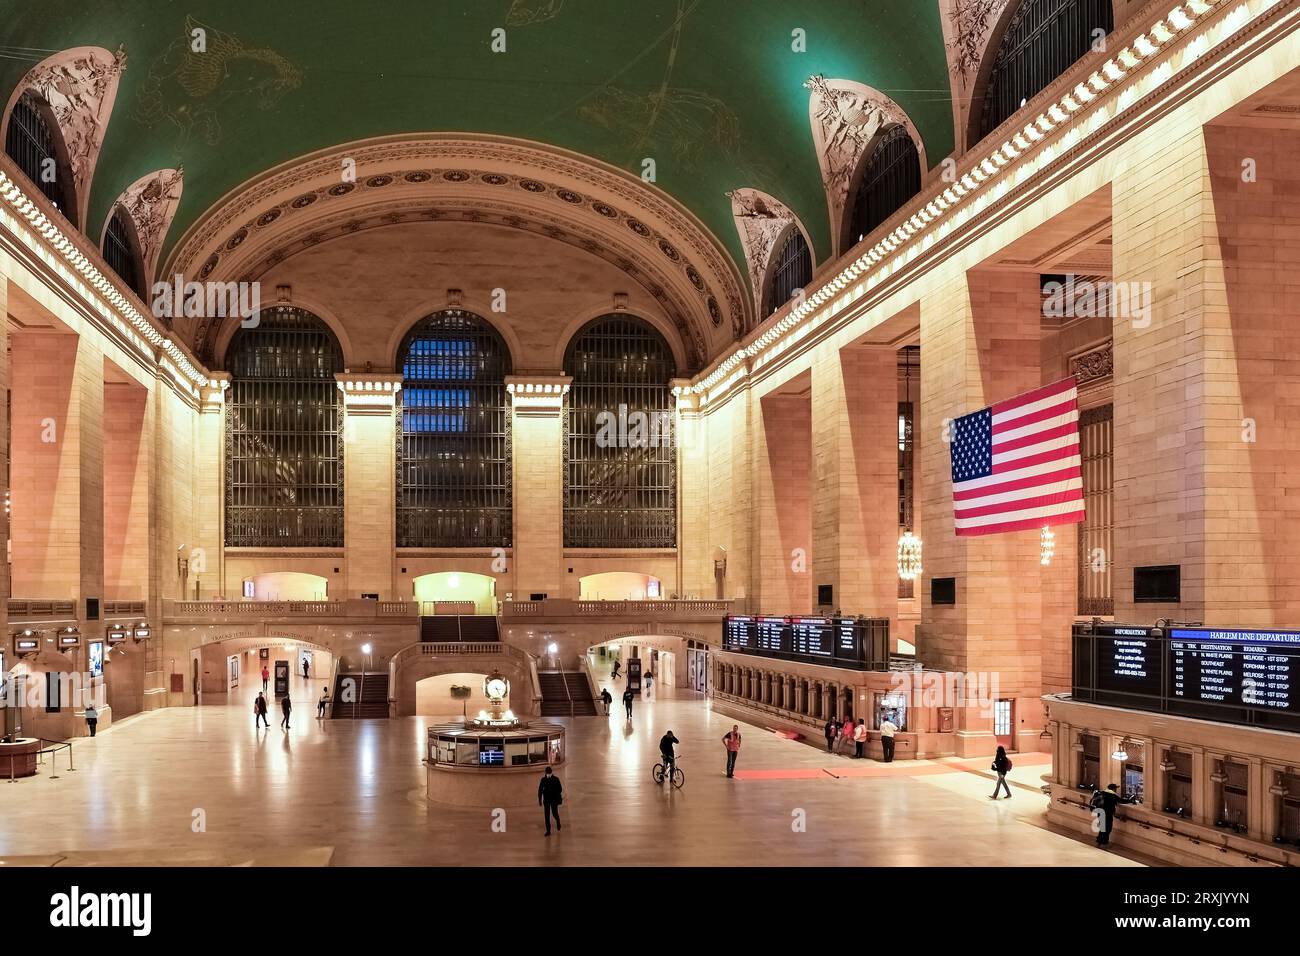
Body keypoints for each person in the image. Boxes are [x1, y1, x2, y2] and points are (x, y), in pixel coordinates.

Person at [1090, 783, 1137, 847]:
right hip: (1107, 814)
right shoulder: (1113, 796)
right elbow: (1122, 801)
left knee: (1102, 828)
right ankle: (1104, 843)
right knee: (1108, 828)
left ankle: (1099, 842)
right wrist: (1131, 800)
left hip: (1100, 812)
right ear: (1114, 789)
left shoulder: (1102, 793)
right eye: (1116, 789)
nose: (1116, 790)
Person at [538, 766, 563, 835]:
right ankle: (548, 831)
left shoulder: (556, 779)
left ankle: (558, 821)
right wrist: (540, 800)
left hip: (554, 800)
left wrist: (553, 792)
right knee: (547, 816)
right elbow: (540, 790)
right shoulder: (543, 780)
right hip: (546, 801)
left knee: (554, 813)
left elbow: (560, 789)